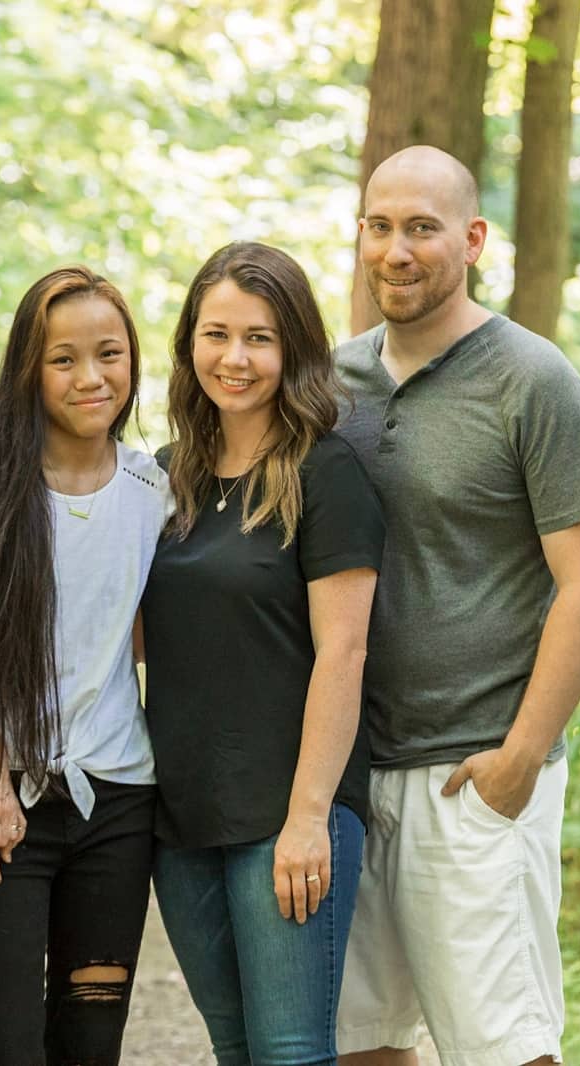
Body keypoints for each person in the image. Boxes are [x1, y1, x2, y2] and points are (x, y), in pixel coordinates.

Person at [333, 145, 580, 1066]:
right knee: (362, 1042)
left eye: (422, 228)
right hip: (350, 772)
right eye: (380, 227)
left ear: (473, 238)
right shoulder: (330, 383)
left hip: (474, 772)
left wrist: (521, 760)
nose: (397, 250)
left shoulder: (533, 381)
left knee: (505, 1048)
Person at [141, 242, 384, 1066]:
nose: (234, 359)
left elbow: (343, 654)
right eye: (216, 335)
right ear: (189, 345)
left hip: (287, 814)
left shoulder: (327, 473)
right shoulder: (165, 478)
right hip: (182, 816)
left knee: (289, 1051)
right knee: (235, 1048)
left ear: (294, 351)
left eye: (259, 338)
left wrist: (309, 817)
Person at [0, 266, 169, 1065]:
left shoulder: (154, 493)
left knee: (90, 1037)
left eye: (109, 354)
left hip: (118, 807)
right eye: (63, 358)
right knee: (3, 1044)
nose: (91, 377)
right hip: (6, 807)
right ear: (29, 371)